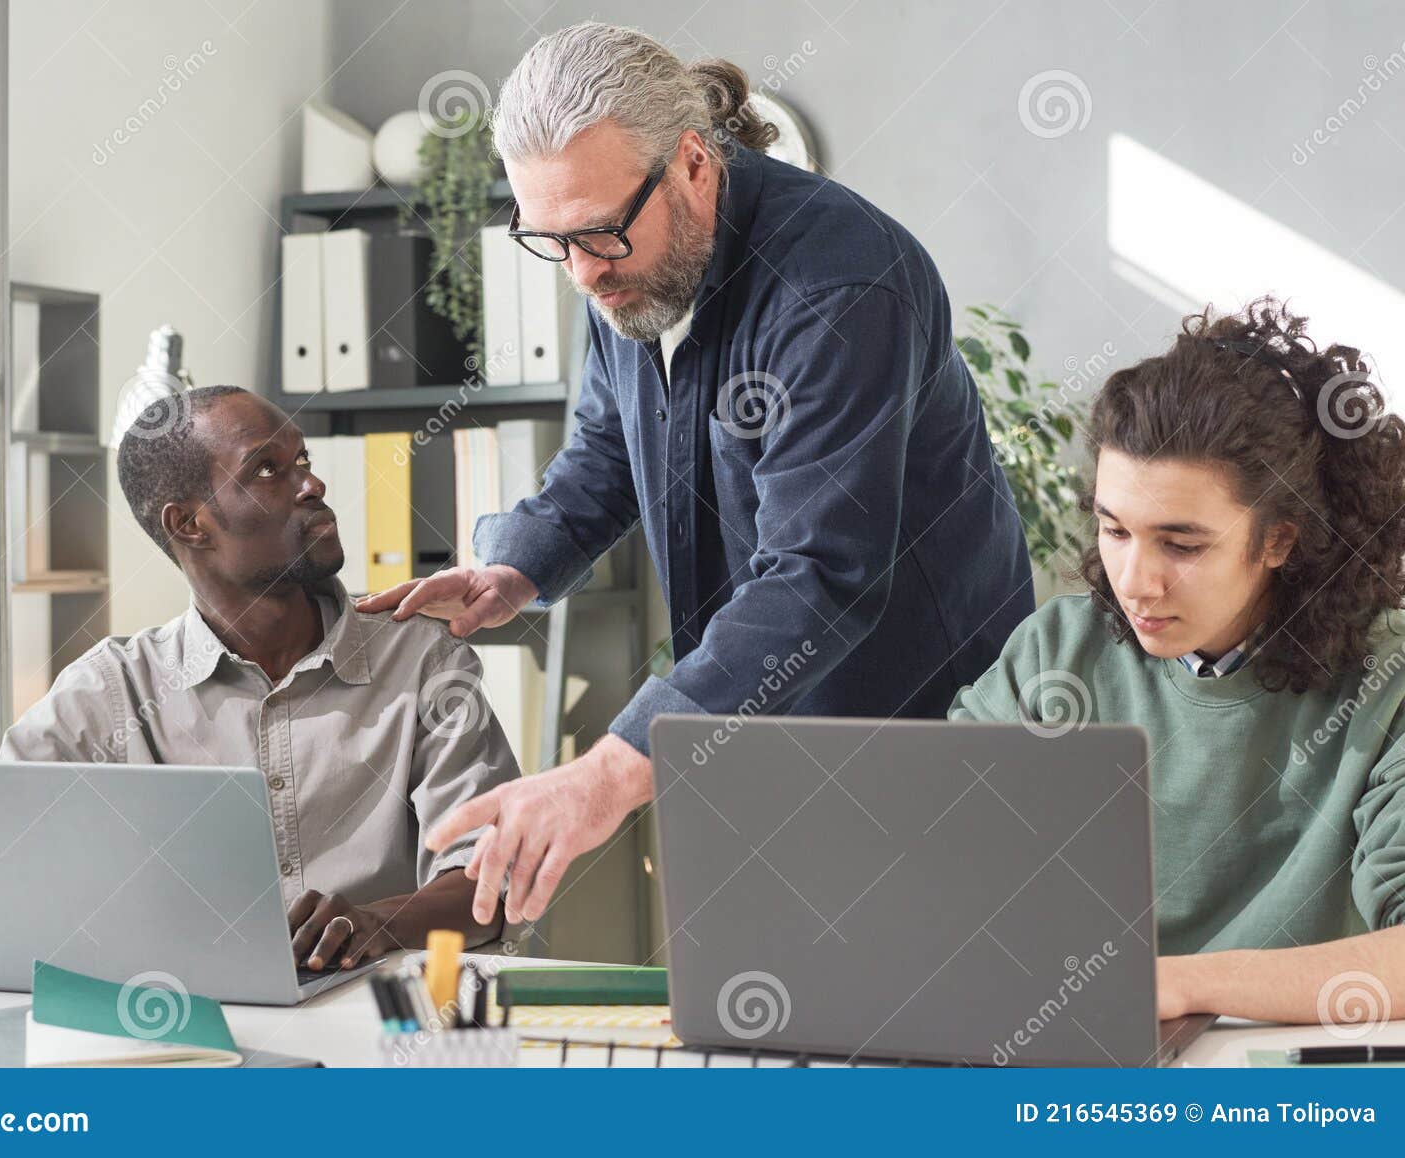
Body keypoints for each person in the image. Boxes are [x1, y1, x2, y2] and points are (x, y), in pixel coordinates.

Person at [360, 22, 1035, 928]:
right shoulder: (619, 259)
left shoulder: (840, 287)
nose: (584, 275)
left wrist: (607, 772)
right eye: (550, 242)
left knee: (926, 1020)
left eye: (598, 235)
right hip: (756, 718)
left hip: (916, 722)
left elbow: (819, 576)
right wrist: (509, 570)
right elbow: (606, 452)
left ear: (691, 165)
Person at [0, 386, 515, 972]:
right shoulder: (110, 691)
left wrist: (379, 922)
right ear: (189, 525)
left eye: (301, 458)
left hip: (380, 1028)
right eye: (268, 470)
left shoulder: (421, 660)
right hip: (175, 1029)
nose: (313, 483)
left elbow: (491, 876)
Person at [952, 299, 1405, 1024]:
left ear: (1279, 541)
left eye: (1182, 545)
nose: (1135, 579)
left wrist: (1182, 986)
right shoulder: (1056, 653)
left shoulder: (1388, 681)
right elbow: (933, 854)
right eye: (1115, 530)